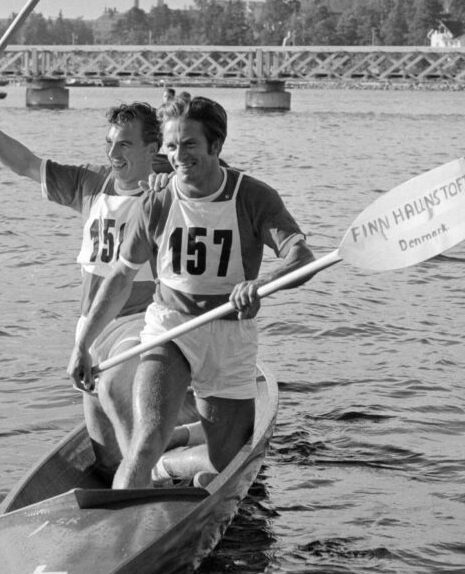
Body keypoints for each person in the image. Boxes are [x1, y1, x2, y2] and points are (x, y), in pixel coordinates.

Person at [69, 92, 315, 489]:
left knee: (227, 463)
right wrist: (84, 342)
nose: (178, 155)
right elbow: (120, 277)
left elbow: (301, 257)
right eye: (171, 146)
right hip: (170, 329)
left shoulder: (253, 197)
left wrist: (261, 284)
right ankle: (126, 518)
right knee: (145, 440)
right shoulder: (158, 200)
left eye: (189, 144)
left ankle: (172, 459)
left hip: (228, 337)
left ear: (216, 146)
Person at [0, 82, 197, 477]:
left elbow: (214, 177)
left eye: (124, 145)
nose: (113, 154)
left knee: (118, 395)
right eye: (109, 144)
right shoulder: (90, 183)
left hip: (141, 327)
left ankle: (156, 478)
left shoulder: (169, 189)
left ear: (152, 151)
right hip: (91, 330)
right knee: (106, 456)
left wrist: (175, 177)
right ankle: (170, 455)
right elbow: (25, 164)